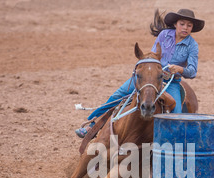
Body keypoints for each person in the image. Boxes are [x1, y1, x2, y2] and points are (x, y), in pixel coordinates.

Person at [75, 8, 205, 138]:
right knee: (118, 95)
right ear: (176, 24)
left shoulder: (192, 45)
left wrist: (180, 69)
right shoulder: (164, 35)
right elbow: (152, 56)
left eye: (189, 25)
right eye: (182, 24)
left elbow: (192, 72)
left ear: (192, 28)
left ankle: (172, 143)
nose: (185, 28)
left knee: (176, 112)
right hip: (151, 77)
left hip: (171, 82)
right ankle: (91, 125)